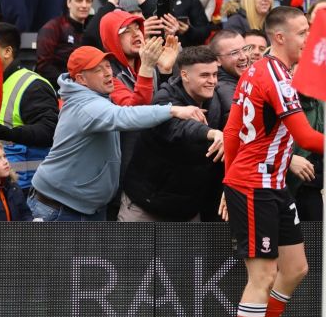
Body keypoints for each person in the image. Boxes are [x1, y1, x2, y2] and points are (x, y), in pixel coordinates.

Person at [221, 5, 326, 317]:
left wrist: (228, 176)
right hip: (255, 185)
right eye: (302, 33)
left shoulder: (263, 71)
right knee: (263, 274)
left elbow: (233, 131)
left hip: (272, 183)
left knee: (295, 268)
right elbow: (304, 136)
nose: (309, 39)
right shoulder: (276, 77)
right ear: (278, 37)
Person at [28, 45, 206, 221]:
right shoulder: (86, 106)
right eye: (98, 70)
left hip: (86, 207)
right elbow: (124, 115)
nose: (107, 73)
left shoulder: (98, 95)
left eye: (107, 66)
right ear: (81, 79)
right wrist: (172, 110)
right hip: (59, 207)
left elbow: (134, 106)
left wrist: (164, 72)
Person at [118, 46, 227, 222]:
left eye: (215, 74)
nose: (212, 81)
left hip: (187, 209)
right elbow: (179, 128)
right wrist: (212, 133)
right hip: (145, 204)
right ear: (184, 75)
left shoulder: (216, 99)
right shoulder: (164, 99)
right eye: (204, 75)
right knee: (133, 250)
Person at [0, 22, 58, 190]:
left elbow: (49, 131)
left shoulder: (33, 85)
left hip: (23, 188)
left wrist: (11, 134)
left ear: (7, 52)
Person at [35, 0, 92, 88]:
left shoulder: (92, 28)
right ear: (68, 2)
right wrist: (71, 82)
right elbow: (43, 66)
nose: (84, 5)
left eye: (88, 1)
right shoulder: (53, 27)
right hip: (59, 88)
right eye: (79, 0)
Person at [210, 29, 250, 111]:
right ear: (217, 60)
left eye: (245, 49)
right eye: (234, 53)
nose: (243, 57)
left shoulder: (245, 80)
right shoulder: (225, 90)